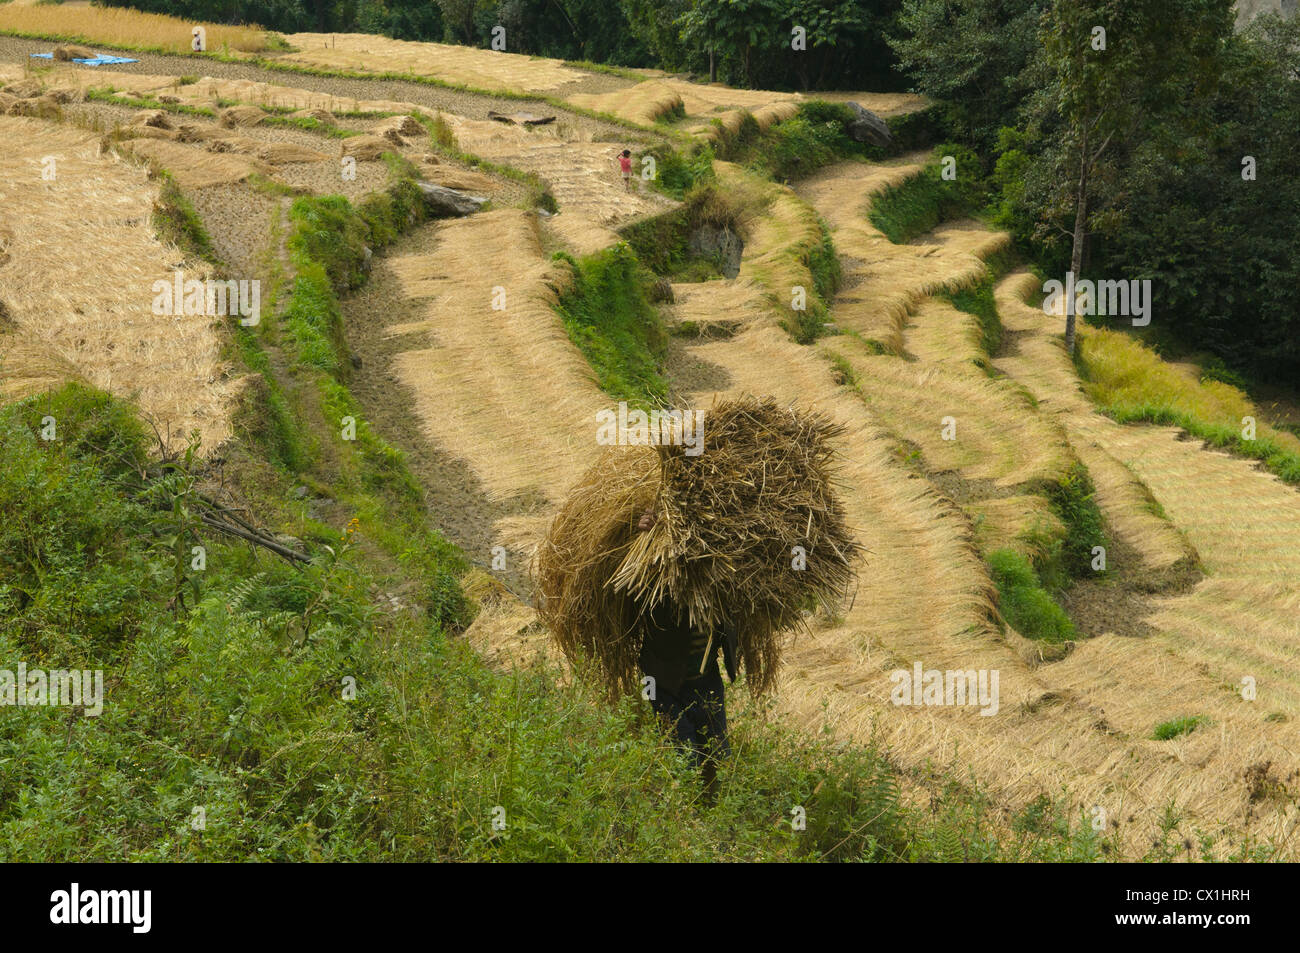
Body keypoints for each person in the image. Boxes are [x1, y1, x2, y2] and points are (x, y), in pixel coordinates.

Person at [634, 506, 737, 795]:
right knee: (685, 752)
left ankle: (711, 815)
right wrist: (644, 540)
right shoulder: (661, 578)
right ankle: (680, 819)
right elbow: (630, 585)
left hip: (706, 678)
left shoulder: (724, 576)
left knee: (717, 753)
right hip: (660, 680)